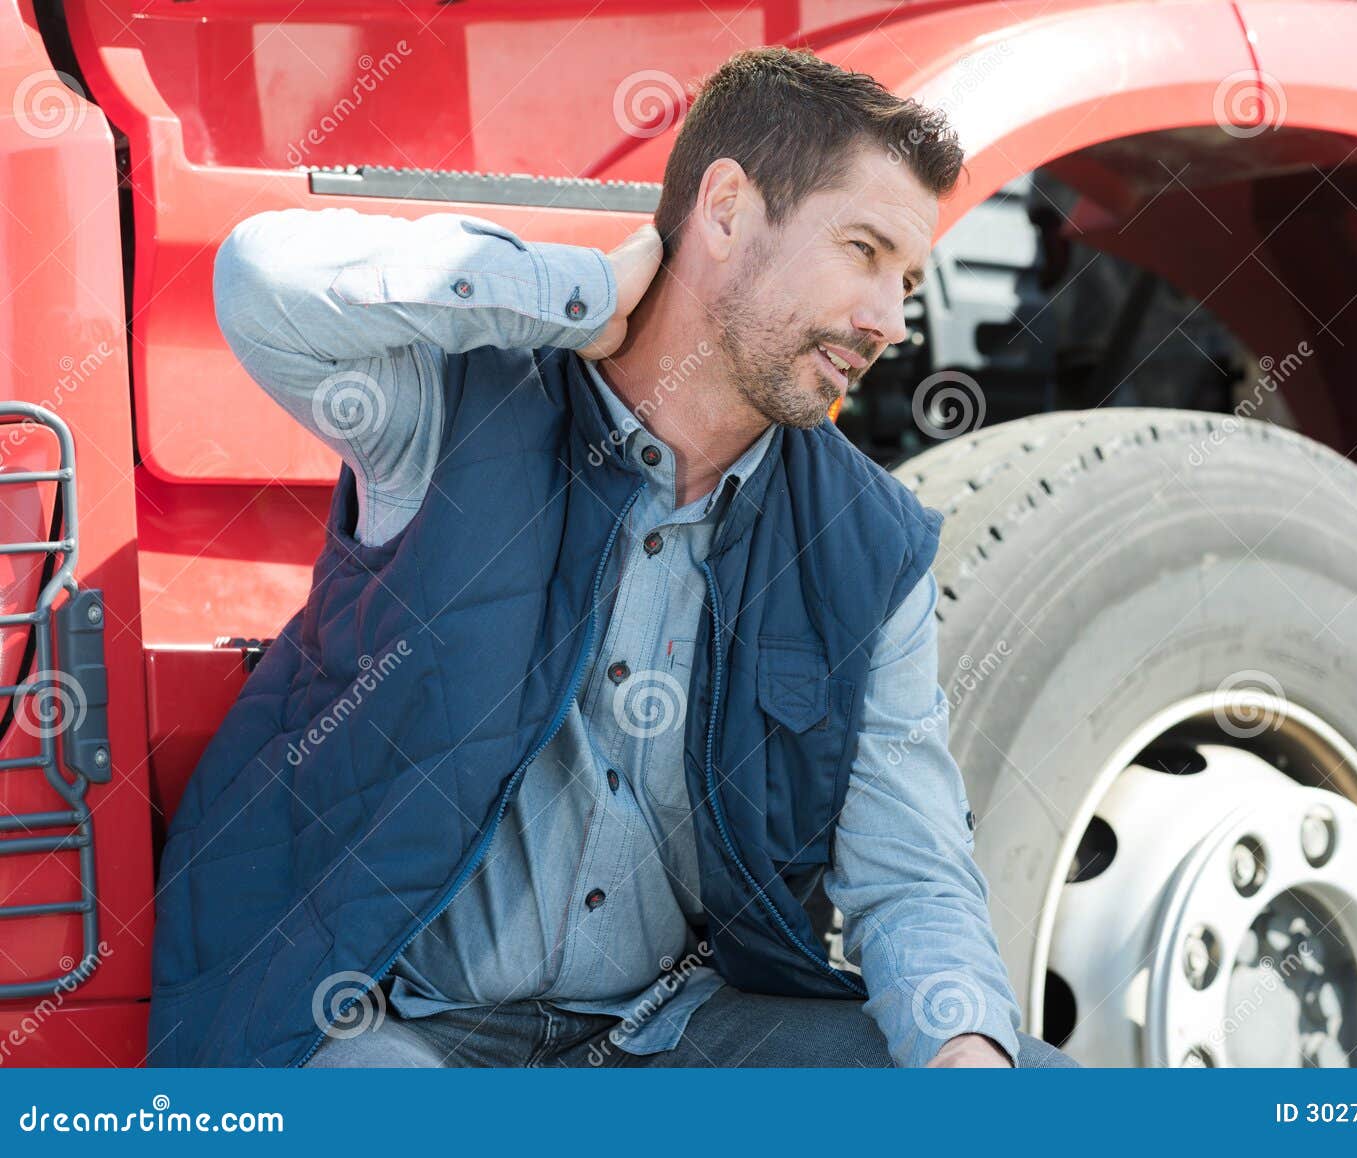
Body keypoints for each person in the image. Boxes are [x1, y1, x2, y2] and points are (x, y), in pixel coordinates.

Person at [146, 45, 1080, 1070]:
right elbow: (259, 279)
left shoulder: (870, 550)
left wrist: (963, 1054)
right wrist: (581, 294)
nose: (888, 321)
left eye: (907, 279)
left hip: (665, 1038)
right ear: (724, 210)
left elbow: (911, 872)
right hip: (395, 1024)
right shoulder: (455, 412)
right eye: (862, 250)